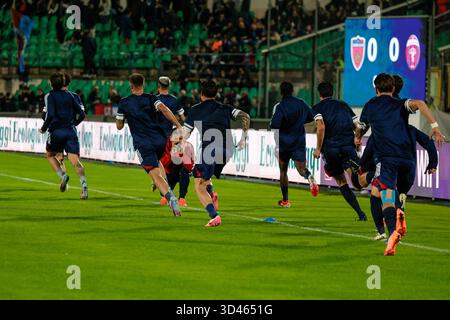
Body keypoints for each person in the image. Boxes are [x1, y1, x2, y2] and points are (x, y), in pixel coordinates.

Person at [355, 73, 445, 256]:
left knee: (385, 197)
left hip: (387, 160)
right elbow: (420, 103)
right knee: (386, 193)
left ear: (376, 89)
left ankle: (390, 234)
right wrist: (434, 126)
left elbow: (362, 127)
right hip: (408, 161)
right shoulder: (401, 104)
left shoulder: (371, 105)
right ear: (393, 89)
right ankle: (398, 212)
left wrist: (357, 137)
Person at [182, 80, 250, 227]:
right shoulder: (225, 107)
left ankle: (214, 216)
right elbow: (246, 116)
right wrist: (244, 138)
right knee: (202, 174)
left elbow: (185, 134)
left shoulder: (195, 110)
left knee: (198, 185)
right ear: (216, 94)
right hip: (227, 151)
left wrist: (175, 141)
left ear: (201, 94)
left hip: (209, 151)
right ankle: (212, 193)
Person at [115, 73, 183, 216]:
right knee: (158, 164)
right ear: (143, 85)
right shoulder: (152, 98)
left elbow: (119, 126)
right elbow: (164, 109)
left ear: (131, 86)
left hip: (143, 143)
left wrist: (124, 119)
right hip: (159, 141)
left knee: (154, 174)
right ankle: (161, 186)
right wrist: (178, 125)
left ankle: (170, 197)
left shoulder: (124, 102)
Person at [312, 82, 367, 221]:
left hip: (331, 149)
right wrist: (358, 139)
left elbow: (321, 127)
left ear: (319, 94)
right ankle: (358, 171)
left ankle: (360, 213)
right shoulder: (343, 105)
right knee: (358, 182)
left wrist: (318, 149)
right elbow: (357, 126)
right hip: (348, 146)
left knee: (342, 181)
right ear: (333, 91)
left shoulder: (317, 108)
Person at [270, 81, 320, 208]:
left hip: (284, 143)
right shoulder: (301, 103)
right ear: (293, 91)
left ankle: (285, 200)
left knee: (283, 171)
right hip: (298, 141)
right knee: (301, 169)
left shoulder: (280, 106)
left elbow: (275, 125)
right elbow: (310, 117)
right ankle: (309, 176)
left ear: (281, 92)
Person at [39, 72, 88, 199]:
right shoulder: (73, 96)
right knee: (75, 161)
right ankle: (84, 187)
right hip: (70, 130)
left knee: (53, 155)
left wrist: (44, 128)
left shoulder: (50, 96)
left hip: (56, 131)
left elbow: (46, 115)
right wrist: (74, 124)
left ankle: (63, 178)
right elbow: (82, 114)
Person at [156, 76, 190, 206]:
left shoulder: (153, 100)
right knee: (178, 166)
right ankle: (181, 198)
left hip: (157, 138)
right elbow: (183, 118)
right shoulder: (175, 101)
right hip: (171, 138)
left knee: (161, 166)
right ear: (169, 86)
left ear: (158, 86)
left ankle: (165, 193)